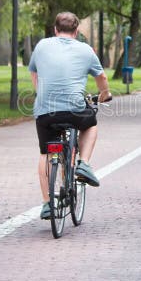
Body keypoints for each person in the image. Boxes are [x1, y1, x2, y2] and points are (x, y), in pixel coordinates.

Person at [29, 12, 112, 220]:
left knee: (46, 153)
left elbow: (34, 72)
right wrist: (104, 95)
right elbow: (101, 77)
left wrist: (41, 94)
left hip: (46, 110)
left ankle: (47, 204)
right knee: (91, 124)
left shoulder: (41, 46)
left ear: (55, 30)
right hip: (75, 108)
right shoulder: (85, 49)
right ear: (76, 32)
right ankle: (83, 163)